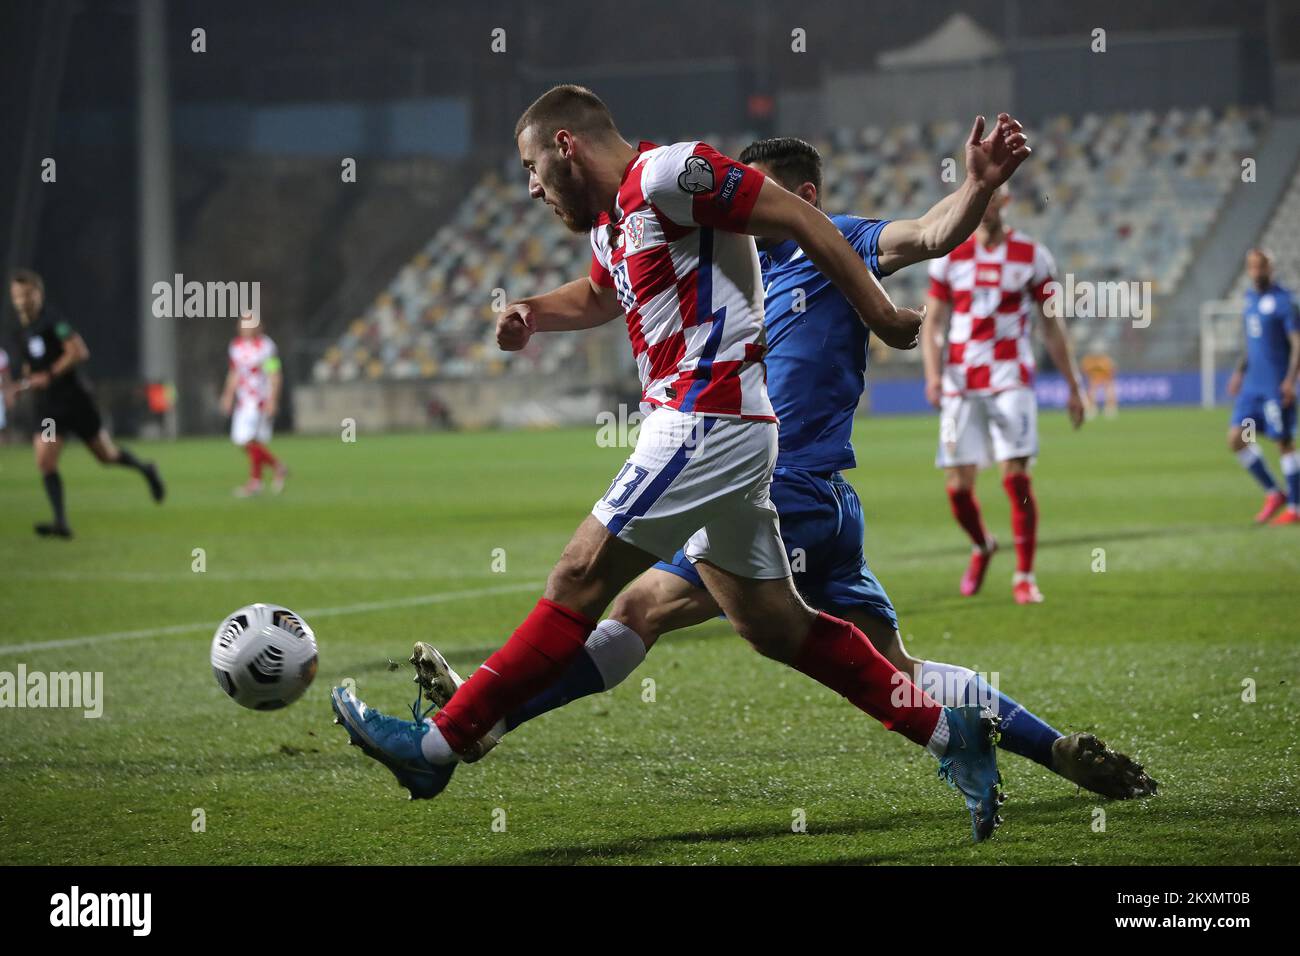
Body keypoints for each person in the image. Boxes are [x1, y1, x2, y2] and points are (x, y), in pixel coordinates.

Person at [331, 85, 1006, 841]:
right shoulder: (615, 221)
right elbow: (598, 294)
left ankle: (437, 746)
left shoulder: (669, 174)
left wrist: (881, 315)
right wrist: (533, 311)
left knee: (579, 577)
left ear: (566, 146)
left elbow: (799, 216)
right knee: (778, 626)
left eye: (530, 166)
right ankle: (953, 735)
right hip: (716, 429)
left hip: (704, 418)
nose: (528, 188)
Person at [410, 128, 1155, 801]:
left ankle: (482, 718)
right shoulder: (721, 268)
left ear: (800, 198)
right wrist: (538, 309)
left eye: (756, 190)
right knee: (893, 668)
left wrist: (981, 187)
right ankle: (1052, 748)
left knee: (637, 609)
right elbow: (607, 291)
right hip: (822, 502)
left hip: (778, 485)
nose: (743, 203)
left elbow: (929, 233)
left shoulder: (834, 245)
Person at [921, 189, 1084, 604]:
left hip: (1012, 378)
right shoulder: (949, 254)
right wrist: (934, 373)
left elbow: (1051, 326)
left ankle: (1024, 576)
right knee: (957, 488)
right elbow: (934, 322)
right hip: (961, 383)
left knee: (1016, 477)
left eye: (994, 198)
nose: (986, 205)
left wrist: (1074, 385)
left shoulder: (1033, 255)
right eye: (981, 198)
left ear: (1006, 203)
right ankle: (983, 546)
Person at [9, 268, 164, 538]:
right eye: (18, 296)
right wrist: (23, 384)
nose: (23, 301)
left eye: (27, 295)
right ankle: (61, 522)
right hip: (49, 409)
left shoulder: (53, 320)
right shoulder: (22, 331)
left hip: (75, 401)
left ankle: (146, 469)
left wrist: (51, 374)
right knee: (45, 460)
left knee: (106, 456)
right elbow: (30, 367)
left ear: (39, 294)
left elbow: (78, 351)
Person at [1226, 248, 1299, 525]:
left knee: (1283, 442)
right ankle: (1274, 492)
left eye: (1261, 267)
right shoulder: (1249, 300)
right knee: (1237, 439)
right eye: (1252, 267)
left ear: (1271, 268)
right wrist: (1239, 372)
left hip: (1275, 387)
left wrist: (1290, 380)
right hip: (1252, 389)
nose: (1256, 272)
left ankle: (1295, 506)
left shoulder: (1285, 302)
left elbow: (1297, 345)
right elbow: (1253, 342)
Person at [219, 313, 288, 497]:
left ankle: (259, 479)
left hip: (259, 400)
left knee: (248, 440)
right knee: (246, 442)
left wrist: (273, 400)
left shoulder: (266, 347)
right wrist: (228, 396)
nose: (246, 326)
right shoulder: (235, 347)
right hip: (243, 401)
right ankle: (273, 470)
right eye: (243, 323)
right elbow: (234, 373)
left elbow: (274, 374)